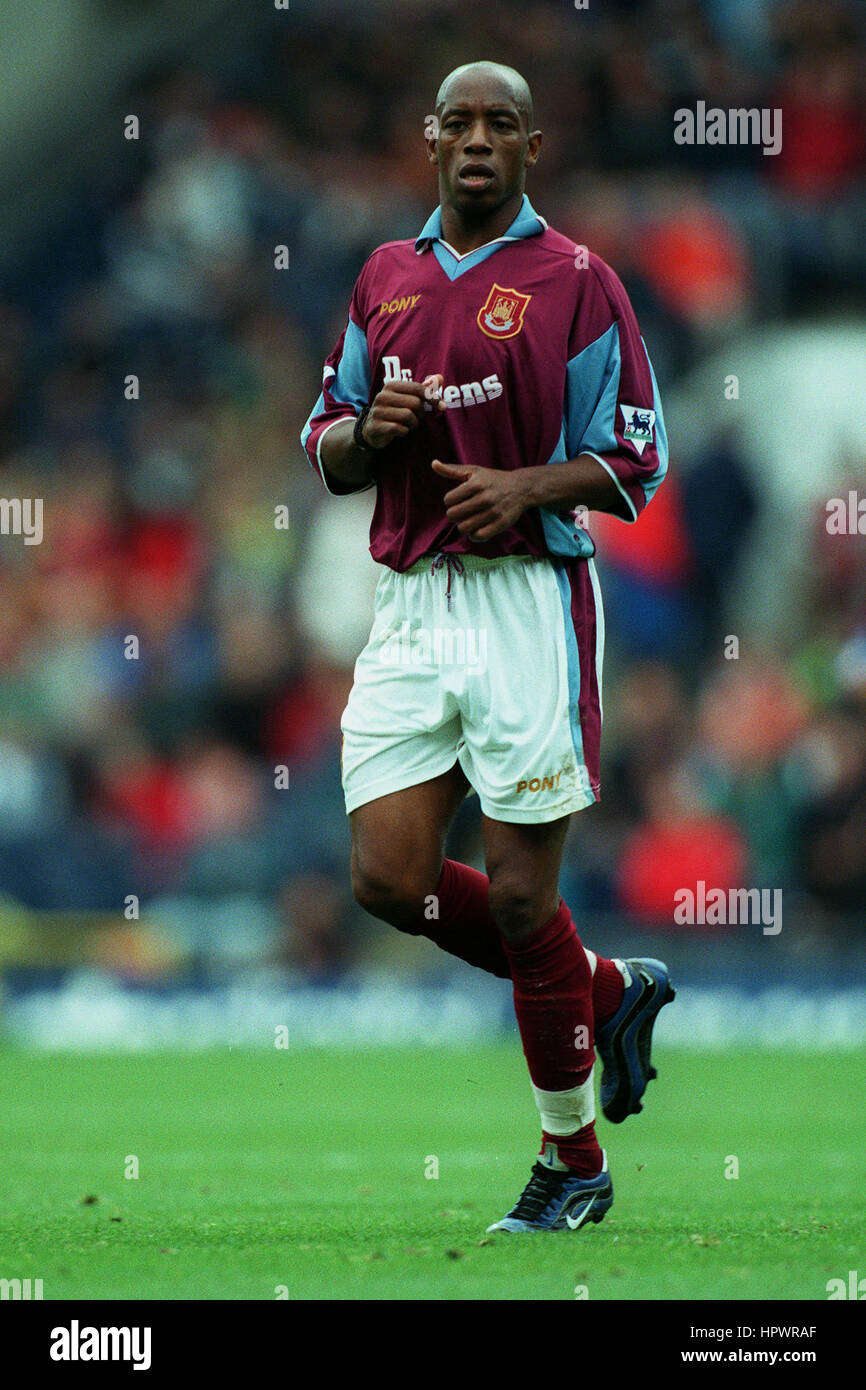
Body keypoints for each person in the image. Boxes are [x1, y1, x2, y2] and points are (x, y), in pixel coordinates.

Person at [301, 60, 674, 1233]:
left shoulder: (576, 283)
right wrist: (370, 430)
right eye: (455, 122)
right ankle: (603, 987)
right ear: (427, 142)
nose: (475, 140)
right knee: (386, 881)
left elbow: (633, 458)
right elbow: (322, 442)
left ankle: (571, 1159)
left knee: (520, 893)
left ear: (530, 147)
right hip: (409, 603)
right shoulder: (386, 277)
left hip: (527, 601)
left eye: (497, 124)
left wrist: (523, 486)